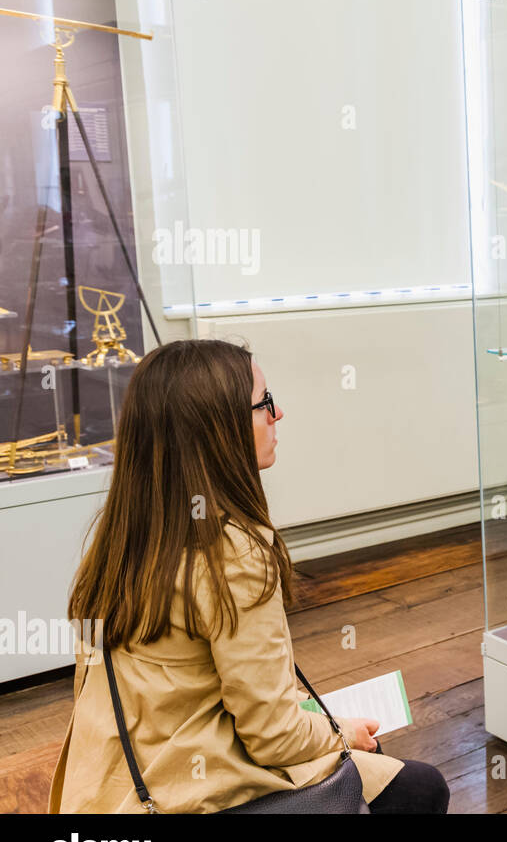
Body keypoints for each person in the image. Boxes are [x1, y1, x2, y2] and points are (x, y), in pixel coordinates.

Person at [48, 338, 449, 814]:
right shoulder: (231, 553)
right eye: (265, 404)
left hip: (111, 788)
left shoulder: (121, 536)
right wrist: (341, 732)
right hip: (194, 790)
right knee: (422, 787)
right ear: (219, 429)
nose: (278, 415)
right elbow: (272, 737)